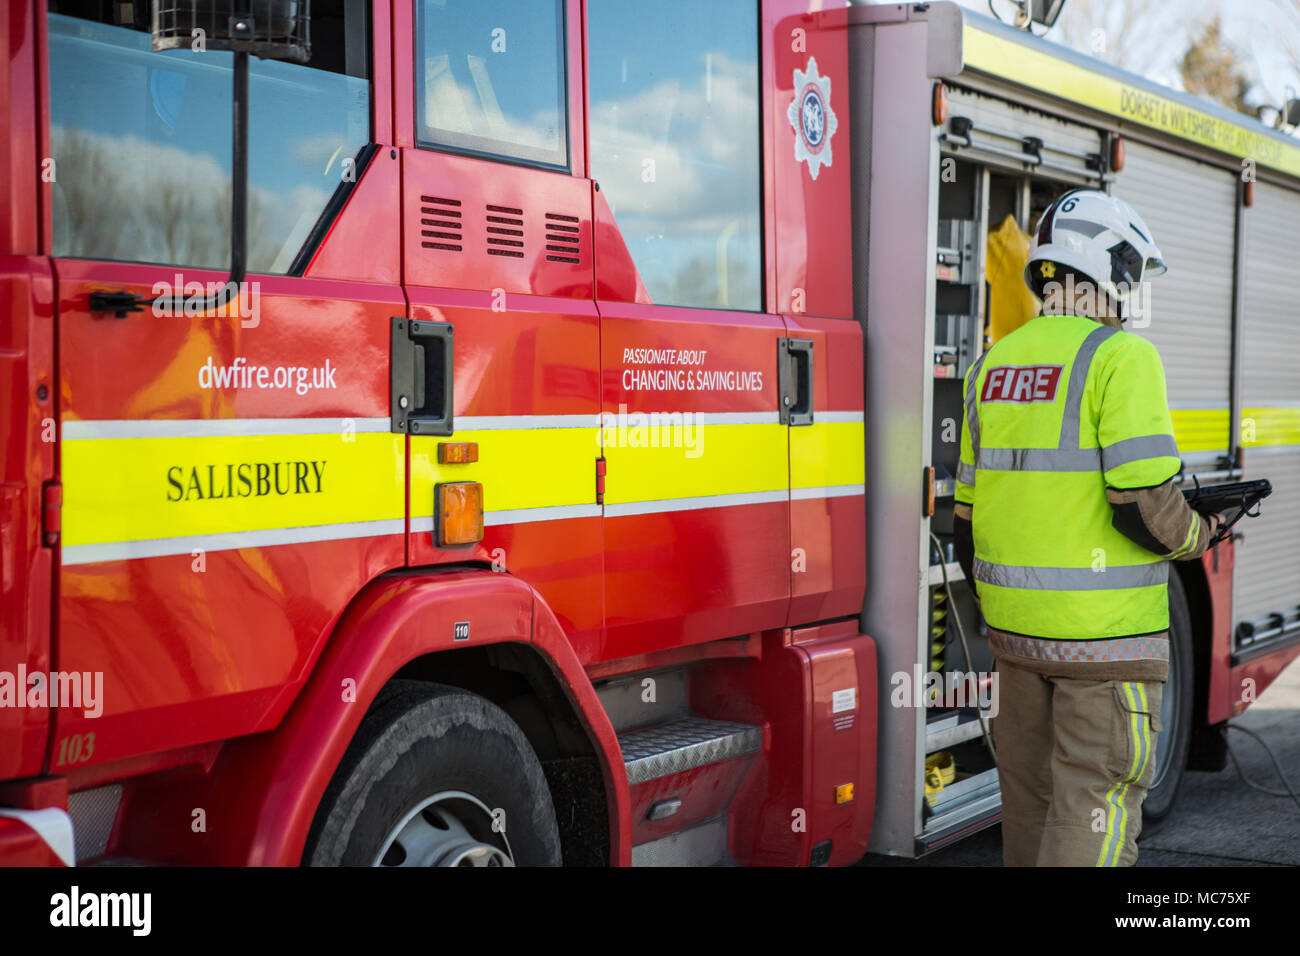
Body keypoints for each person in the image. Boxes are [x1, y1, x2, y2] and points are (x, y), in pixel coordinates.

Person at [952, 189, 1222, 867]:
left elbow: (965, 520)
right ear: (1101, 266)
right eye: (1128, 272)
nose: (1129, 292)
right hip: (1105, 644)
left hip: (1016, 640)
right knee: (1093, 803)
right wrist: (1201, 533)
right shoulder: (1121, 358)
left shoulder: (992, 364)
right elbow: (1142, 507)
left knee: (1030, 803)